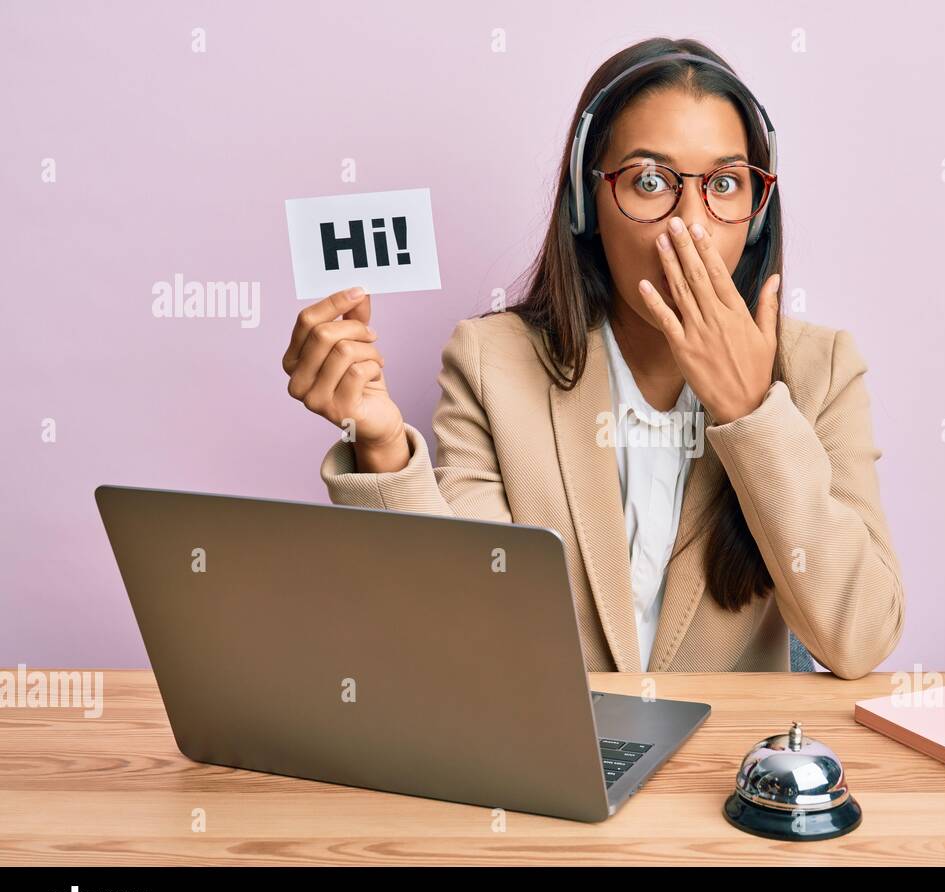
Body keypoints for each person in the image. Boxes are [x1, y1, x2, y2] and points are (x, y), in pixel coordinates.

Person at [281, 37, 905, 678]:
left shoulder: (821, 368)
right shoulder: (493, 363)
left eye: (723, 183)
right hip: (553, 762)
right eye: (650, 181)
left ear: (757, 212)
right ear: (586, 204)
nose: (689, 224)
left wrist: (752, 413)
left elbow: (859, 638)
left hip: (730, 766)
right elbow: (461, 639)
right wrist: (381, 447)